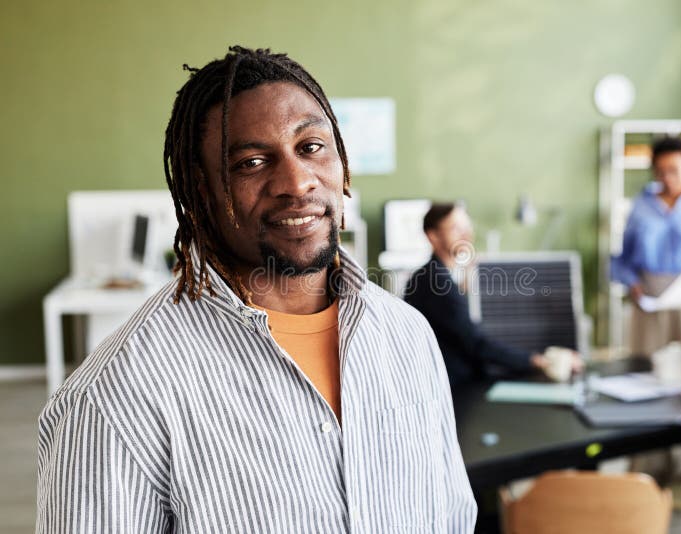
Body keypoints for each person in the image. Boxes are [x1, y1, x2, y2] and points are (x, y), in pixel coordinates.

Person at [36, 46, 476, 533]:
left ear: (342, 164)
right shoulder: (117, 397)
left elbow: (453, 517)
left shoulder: (407, 335)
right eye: (251, 162)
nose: (296, 182)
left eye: (310, 147)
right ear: (203, 192)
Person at [403, 202, 581, 386]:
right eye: (456, 228)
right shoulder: (436, 281)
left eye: (467, 226)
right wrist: (540, 362)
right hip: (452, 388)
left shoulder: (433, 275)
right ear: (433, 236)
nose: (466, 234)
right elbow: (476, 344)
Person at [611, 136, 681, 355]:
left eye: (674, 170)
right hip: (649, 298)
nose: (667, 177)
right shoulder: (642, 205)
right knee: (646, 366)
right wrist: (631, 282)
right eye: (660, 171)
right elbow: (624, 255)